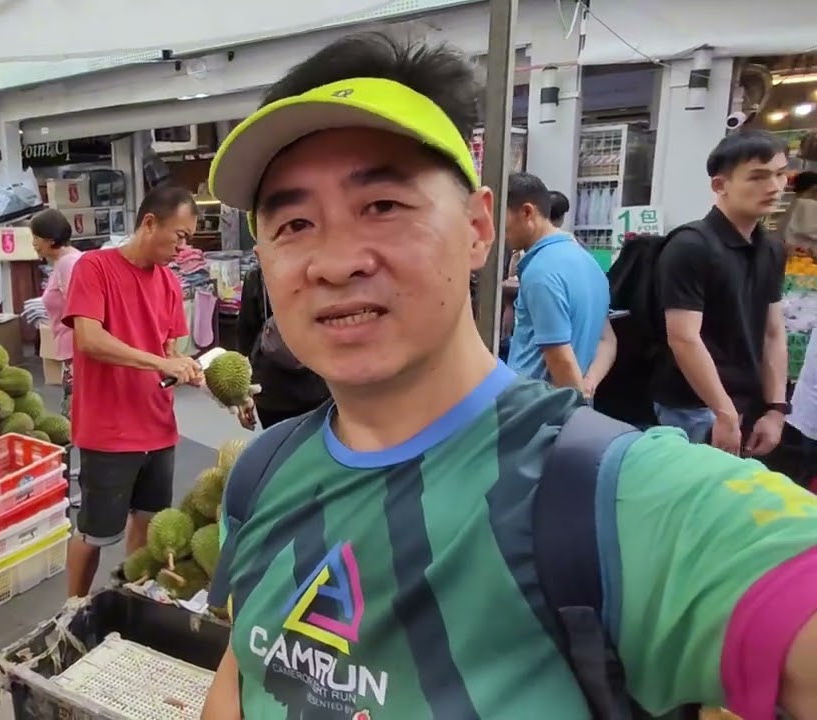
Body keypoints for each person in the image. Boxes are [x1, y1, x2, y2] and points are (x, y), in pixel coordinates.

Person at [200, 32, 817, 720]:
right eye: (293, 224)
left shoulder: (614, 499)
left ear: (478, 226)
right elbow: (244, 672)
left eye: (382, 206)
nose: (335, 261)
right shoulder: (259, 478)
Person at [61, 184, 204, 598]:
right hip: (109, 430)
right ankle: (72, 608)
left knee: (146, 525)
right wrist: (161, 362)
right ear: (149, 223)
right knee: (93, 531)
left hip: (159, 428)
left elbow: (169, 349)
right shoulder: (95, 268)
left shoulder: (170, 285)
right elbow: (89, 339)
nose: (183, 247)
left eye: (189, 239)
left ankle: (130, 597)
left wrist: (187, 369)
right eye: (180, 236)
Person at [654, 130, 789, 454]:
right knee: (689, 500)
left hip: (746, 406)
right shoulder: (690, 246)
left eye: (780, 174)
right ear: (720, 185)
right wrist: (723, 411)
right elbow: (684, 338)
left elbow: (773, 332)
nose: (773, 187)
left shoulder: (771, 249)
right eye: (757, 177)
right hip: (692, 408)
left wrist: (776, 409)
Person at [504, 172, 614, 394]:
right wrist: (588, 385)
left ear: (527, 212)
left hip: (535, 407)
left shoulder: (540, 272)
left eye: (500, 217)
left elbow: (559, 356)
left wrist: (575, 403)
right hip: (569, 403)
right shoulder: (588, 262)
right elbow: (607, 341)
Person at [235, 265, 329, 428]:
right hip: (318, 385)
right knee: (319, 445)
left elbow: (245, 338)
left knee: (280, 448)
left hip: (271, 389)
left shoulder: (258, 275)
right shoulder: (321, 273)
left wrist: (243, 397)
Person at [31, 208, 82, 417]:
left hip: (78, 353)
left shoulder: (67, 265)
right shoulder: (66, 261)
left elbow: (82, 311)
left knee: (76, 414)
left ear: (51, 240)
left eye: (36, 238)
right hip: (73, 351)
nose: (33, 243)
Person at [783, 171, 817, 253]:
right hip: (805, 256)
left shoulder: (795, 203)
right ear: (814, 188)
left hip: (792, 253)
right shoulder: (808, 204)